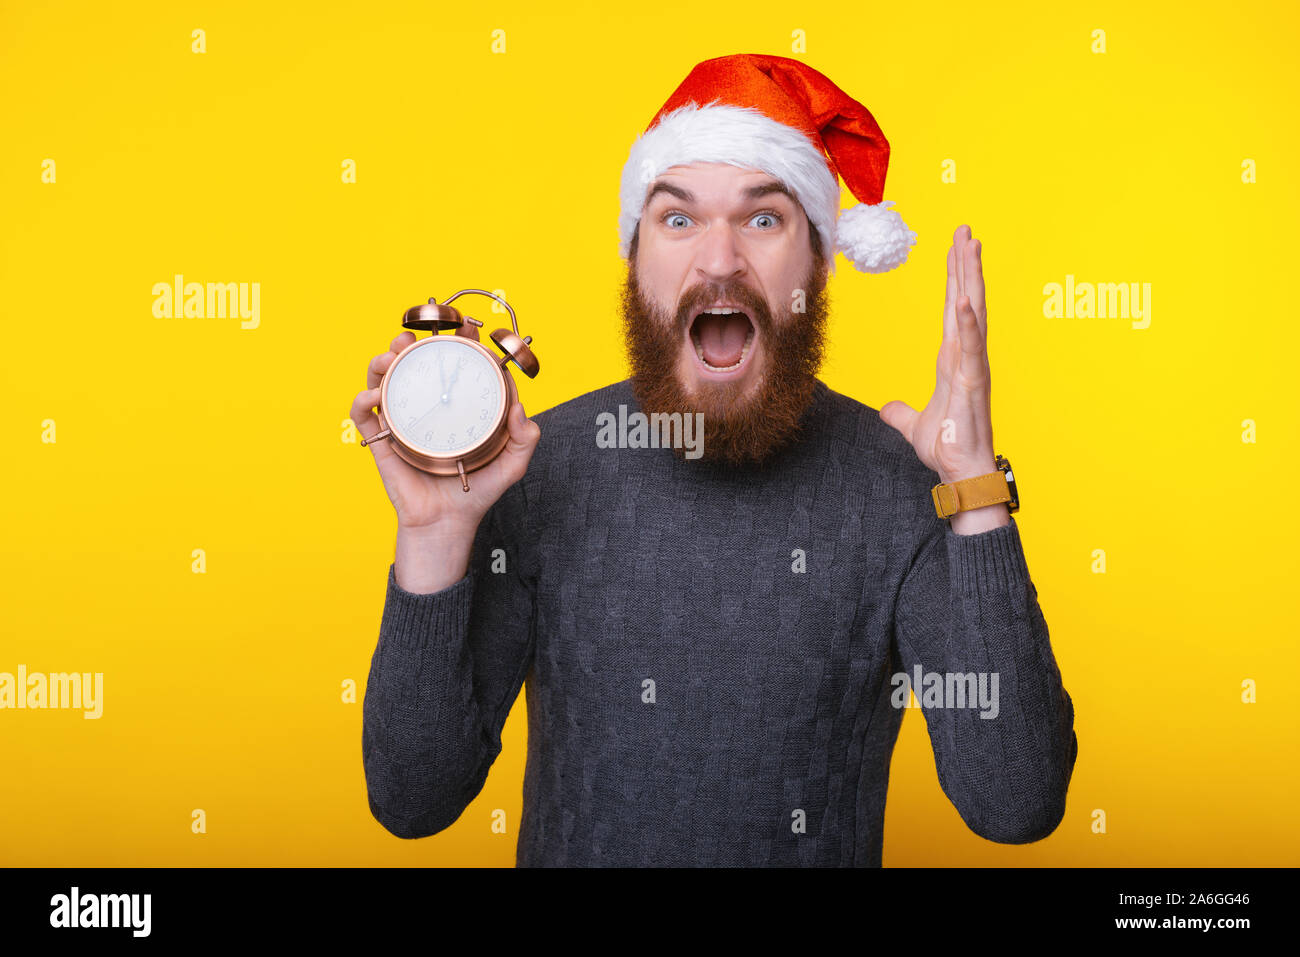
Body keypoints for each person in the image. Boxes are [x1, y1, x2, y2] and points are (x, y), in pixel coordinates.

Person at [349, 53, 1078, 866]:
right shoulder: (535, 473)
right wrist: (433, 535)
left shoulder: (902, 484)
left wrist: (976, 493)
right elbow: (414, 799)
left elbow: (1016, 802)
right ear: (636, 261)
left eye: (764, 219)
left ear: (819, 264)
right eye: (678, 219)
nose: (721, 259)